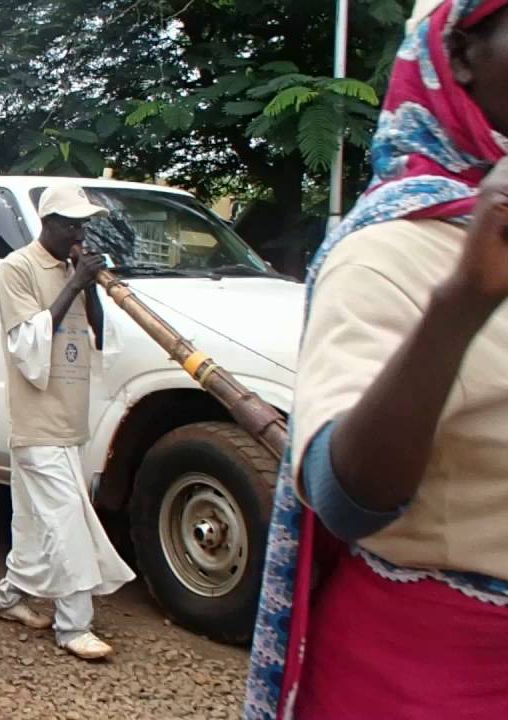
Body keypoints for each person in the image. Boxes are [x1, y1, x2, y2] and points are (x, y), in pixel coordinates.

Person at [246, 2, 508, 718]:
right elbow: (342, 497)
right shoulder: (390, 249)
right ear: (458, 54)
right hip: (437, 679)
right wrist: (460, 306)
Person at [0, 184, 134, 660]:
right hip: (37, 423)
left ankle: (9, 597)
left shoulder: (76, 270)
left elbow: (97, 337)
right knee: (68, 522)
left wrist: (89, 285)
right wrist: (73, 284)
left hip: (71, 419)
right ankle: (75, 626)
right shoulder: (18, 269)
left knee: (34, 521)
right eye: (69, 224)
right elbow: (28, 343)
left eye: (82, 225)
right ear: (46, 223)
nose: (78, 233)